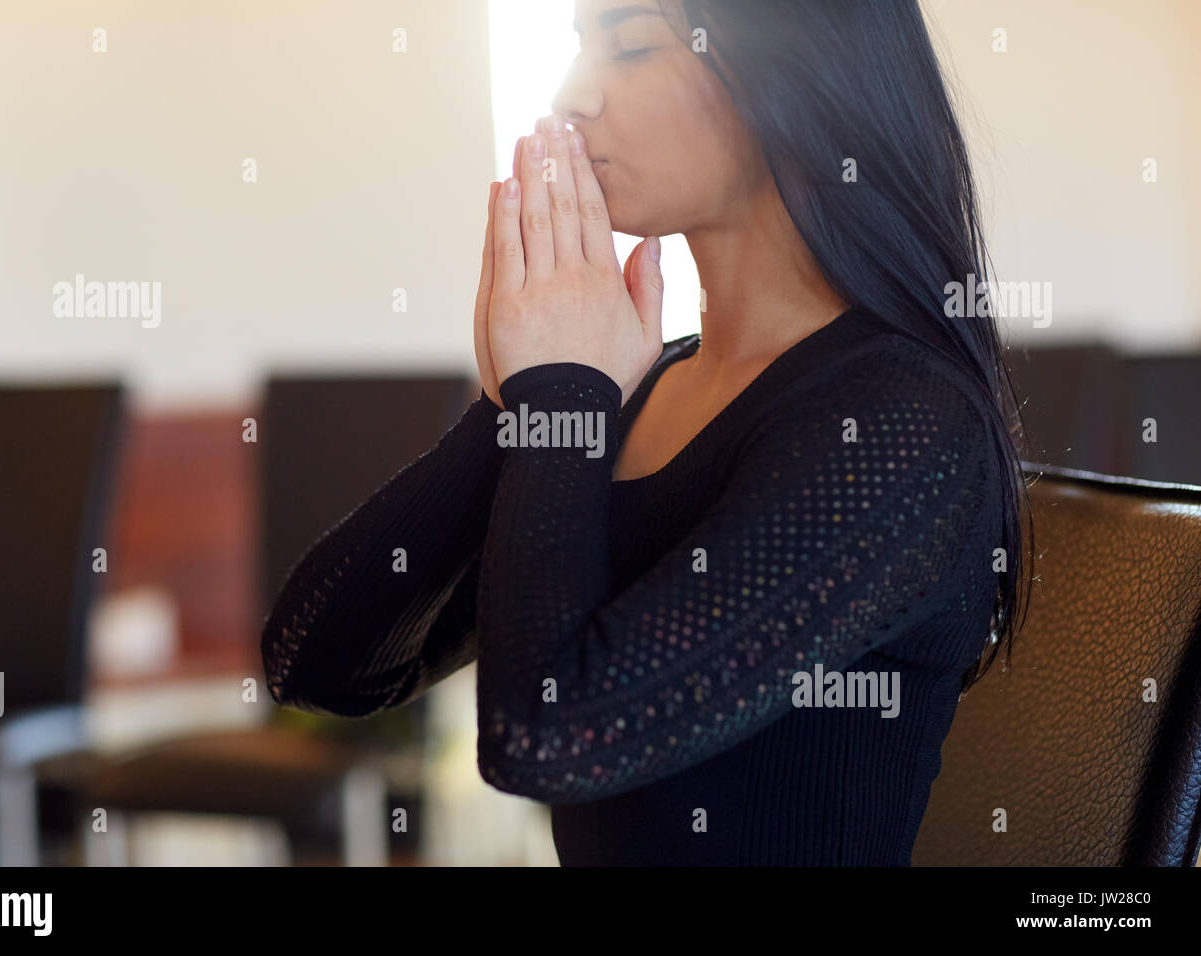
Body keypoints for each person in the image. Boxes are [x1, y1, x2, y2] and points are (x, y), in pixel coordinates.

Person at [261, 0, 1034, 865]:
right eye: (579, 46)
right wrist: (513, 410)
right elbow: (317, 664)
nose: (569, 97)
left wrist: (561, 398)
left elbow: (546, 737)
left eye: (629, 47)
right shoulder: (638, 380)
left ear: (792, 73)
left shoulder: (900, 422)